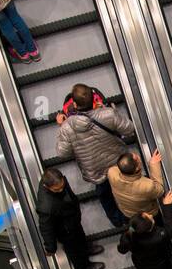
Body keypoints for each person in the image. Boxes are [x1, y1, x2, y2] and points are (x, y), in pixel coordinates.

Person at [55, 84, 137, 227]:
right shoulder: (107, 114)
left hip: (95, 171)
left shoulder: (67, 126)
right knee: (128, 188)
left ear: (74, 104)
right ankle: (135, 216)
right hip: (118, 164)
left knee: (105, 194)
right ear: (94, 99)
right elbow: (129, 129)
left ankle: (117, 220)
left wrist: (61, 126)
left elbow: (62, 153)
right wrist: (109, 111)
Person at [37, 168, 105, 269]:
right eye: (57, 189)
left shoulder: (60, 181)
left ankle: (86, 249)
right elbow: (46, 228)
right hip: (65, 231)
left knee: (80, 237)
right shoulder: (46, 208)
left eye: (62, 186)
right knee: (74, 250)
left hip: (72, 219)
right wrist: (50, 248)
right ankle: (84, 267)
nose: (61, 190)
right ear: (46, 187)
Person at [118, 189, 172, 269]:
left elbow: (121, 250)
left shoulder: (128, 237)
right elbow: (171, 228)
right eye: (150, 217)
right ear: (149, 228)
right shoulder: (160, 236)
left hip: (142, 264)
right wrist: (167, 206)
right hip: (163, 263)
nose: (151, 215)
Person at [107, 149, 165, 222]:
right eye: (137, 158)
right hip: (147, 216)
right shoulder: (146, 187)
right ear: (137, 168)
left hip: (126, 212)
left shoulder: (111, 173)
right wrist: (153, 165)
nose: (138, 156)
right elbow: (160, 190)